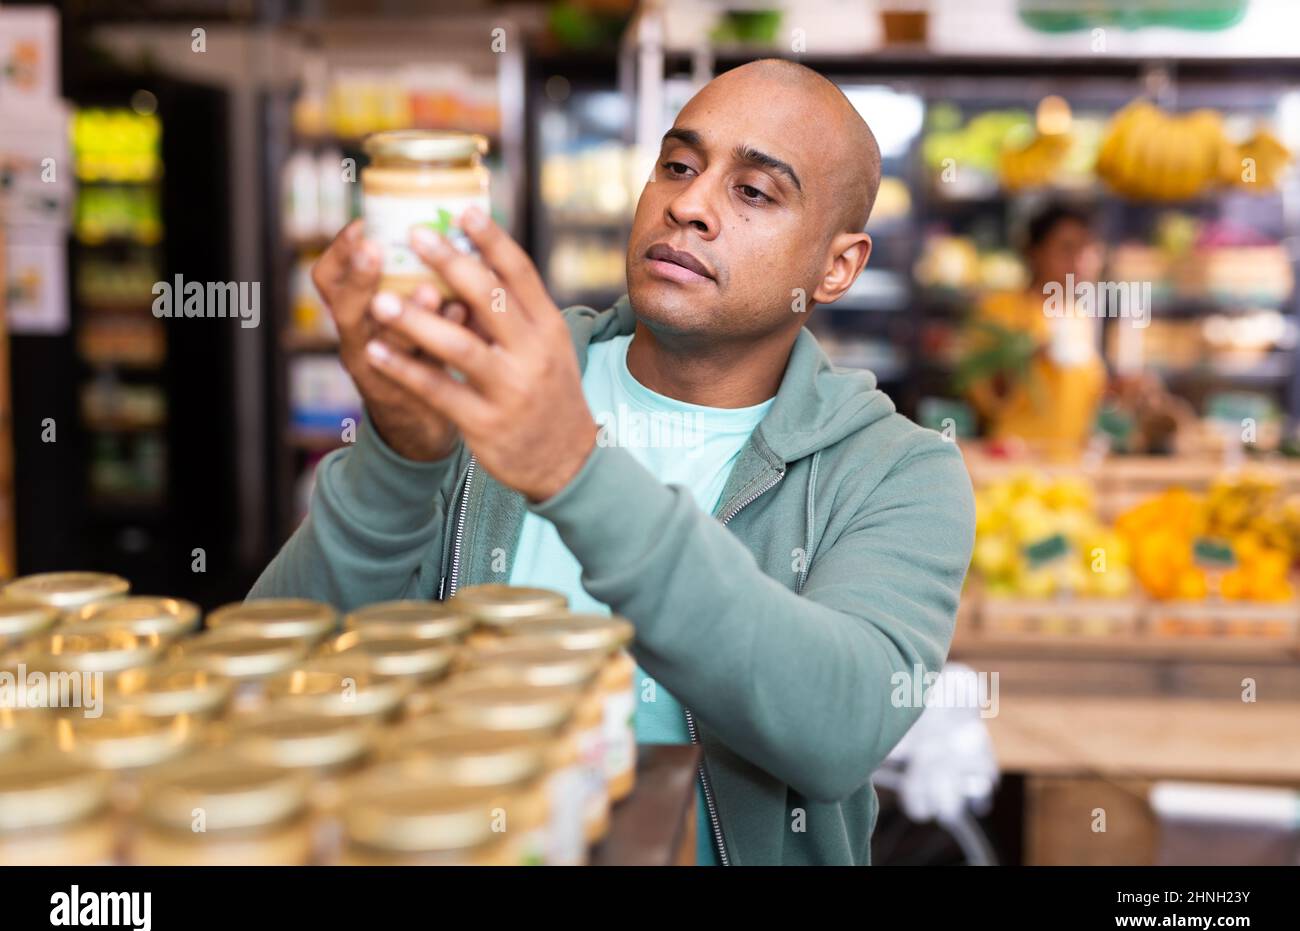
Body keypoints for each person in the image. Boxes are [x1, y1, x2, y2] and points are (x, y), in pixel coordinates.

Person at [251, 59, 975, 865]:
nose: (689, 205)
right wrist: (400, 453)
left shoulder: (898, 471)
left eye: (754, 192)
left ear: (837, 267)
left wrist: (575, 469)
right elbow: (277, 681)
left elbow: (837, 726)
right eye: (678, 165)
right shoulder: (498, 377)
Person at [963, 202, 1108, 460]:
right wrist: (1024, 356)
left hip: (1069, 467)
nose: (1079, 260)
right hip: (1013, 464)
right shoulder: (1001, 310)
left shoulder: (1080, 316)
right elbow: (982, 397)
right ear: (1035, 252)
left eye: (1088, 249)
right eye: (1066, 248)